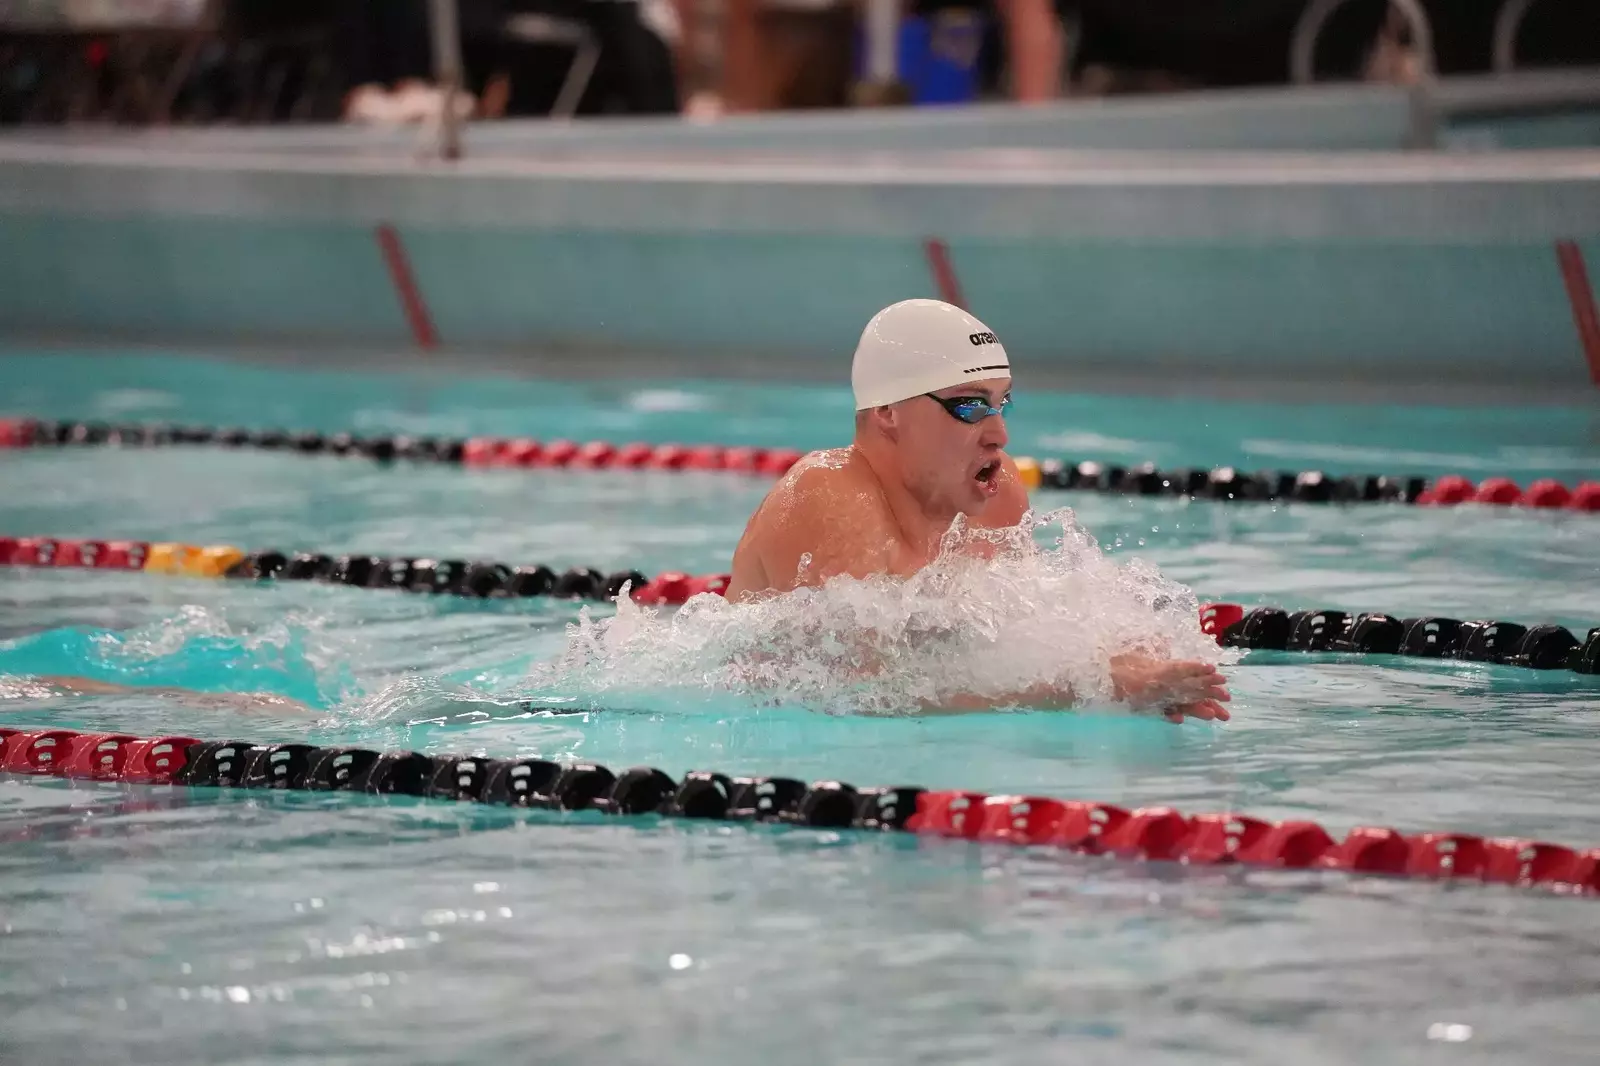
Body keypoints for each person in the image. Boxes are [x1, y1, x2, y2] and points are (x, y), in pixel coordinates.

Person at [725, 298, 1231, 723]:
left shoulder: (995, 493)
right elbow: (865, 693)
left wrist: (1130, 664)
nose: (999, 434)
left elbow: (1029, 635)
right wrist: (1092, 685)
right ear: (887, 412)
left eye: (1002, 403)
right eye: (969, 407)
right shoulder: (829, 492)